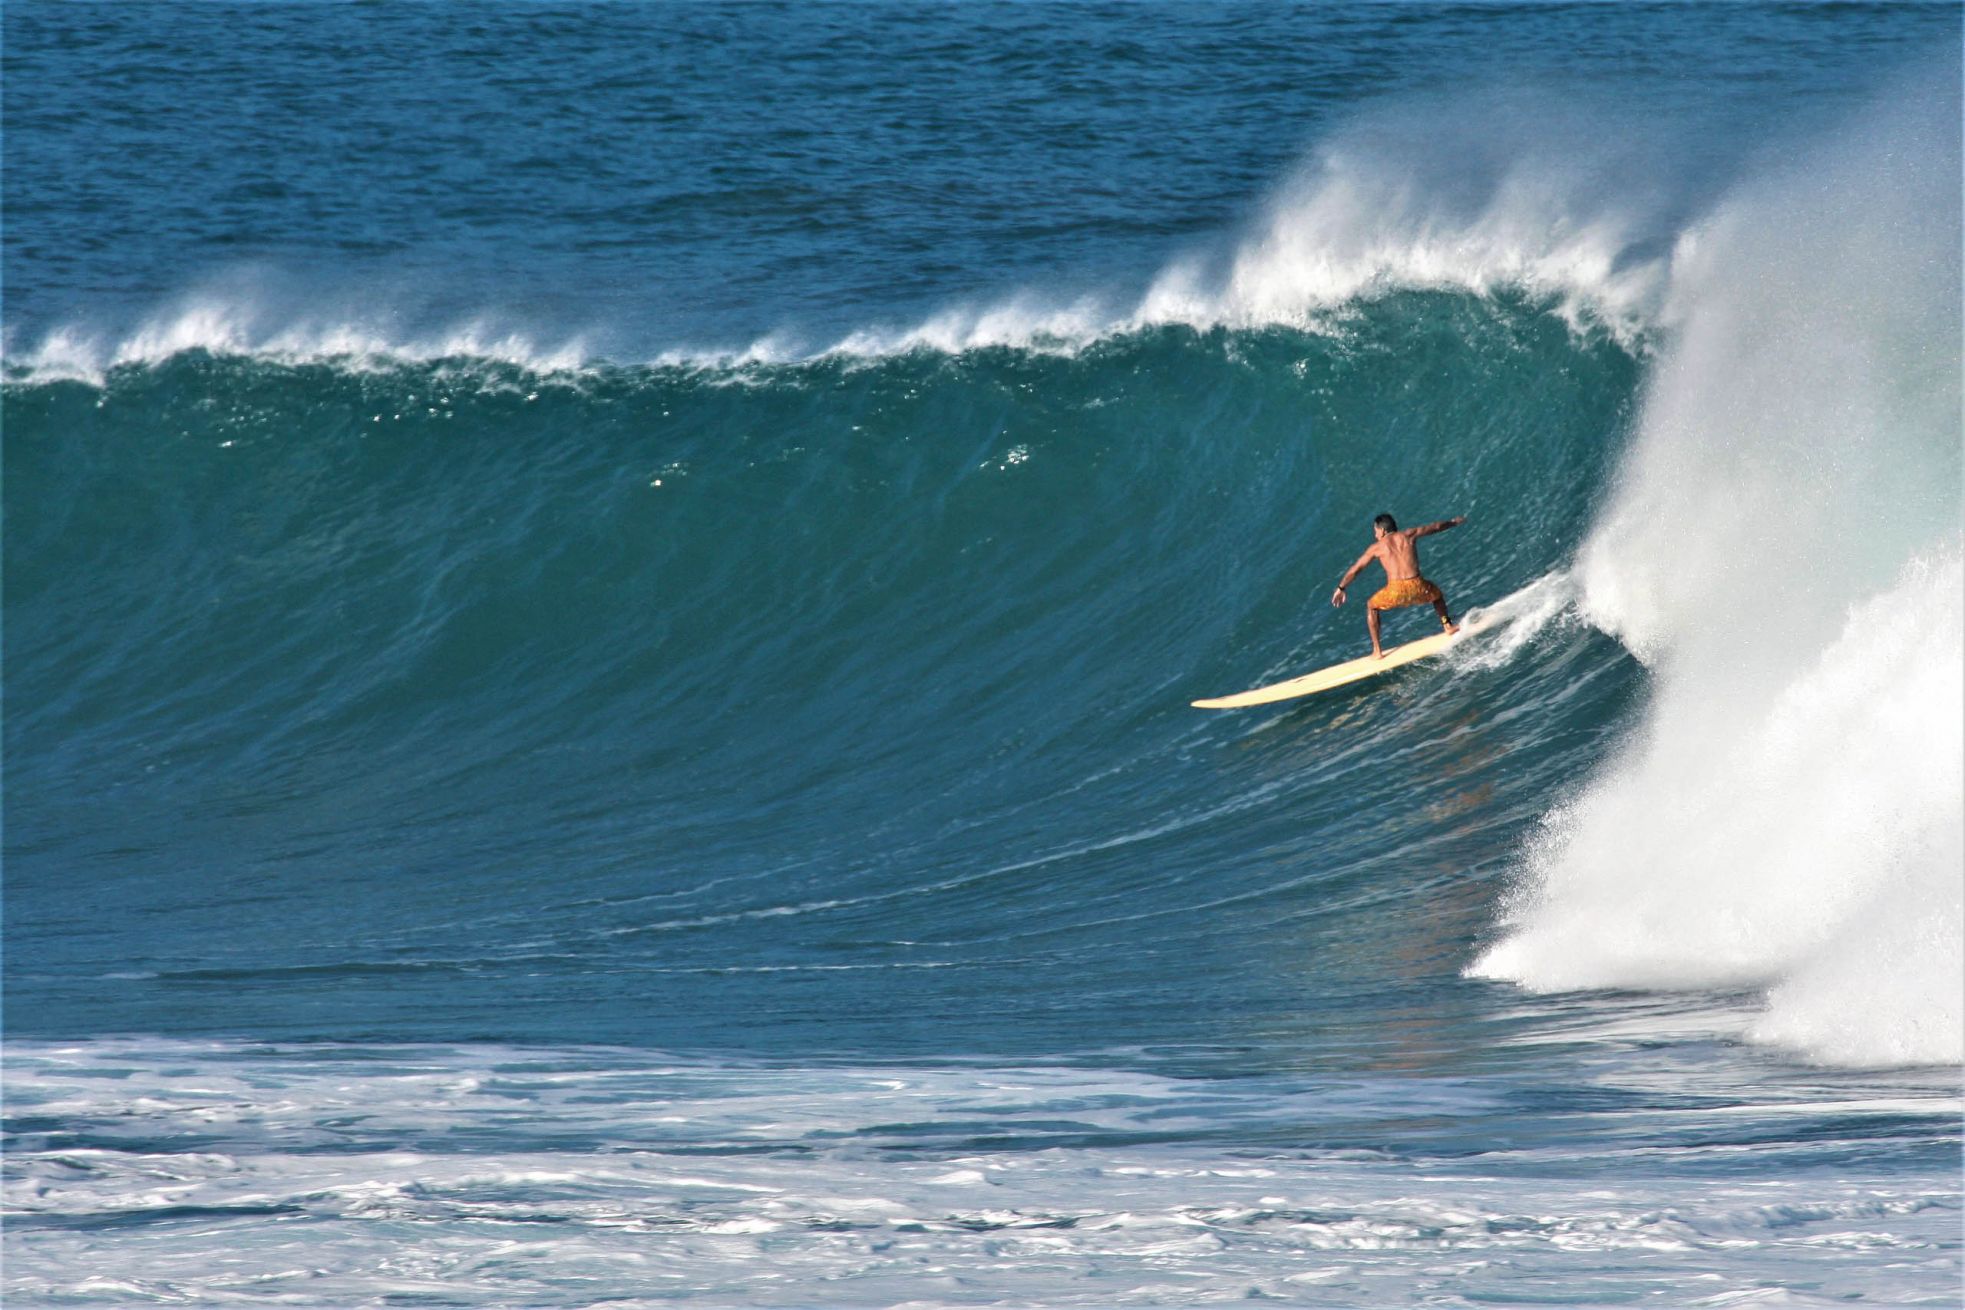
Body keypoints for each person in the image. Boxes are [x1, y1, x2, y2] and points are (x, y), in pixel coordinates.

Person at [1330, 513, 1466, 658]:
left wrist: (1341, 588)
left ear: (1382, 530)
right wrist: (1453, 522)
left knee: (1371, 606)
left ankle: (1377, 651)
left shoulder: (1376, 547)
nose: (1375, 535)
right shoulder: (1408, 535)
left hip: (1395, 591)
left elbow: (1355, 570)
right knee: (1437, 596)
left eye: (1375, 531)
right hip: (1418, 586)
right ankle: (1448, 626)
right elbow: (1435, 527)